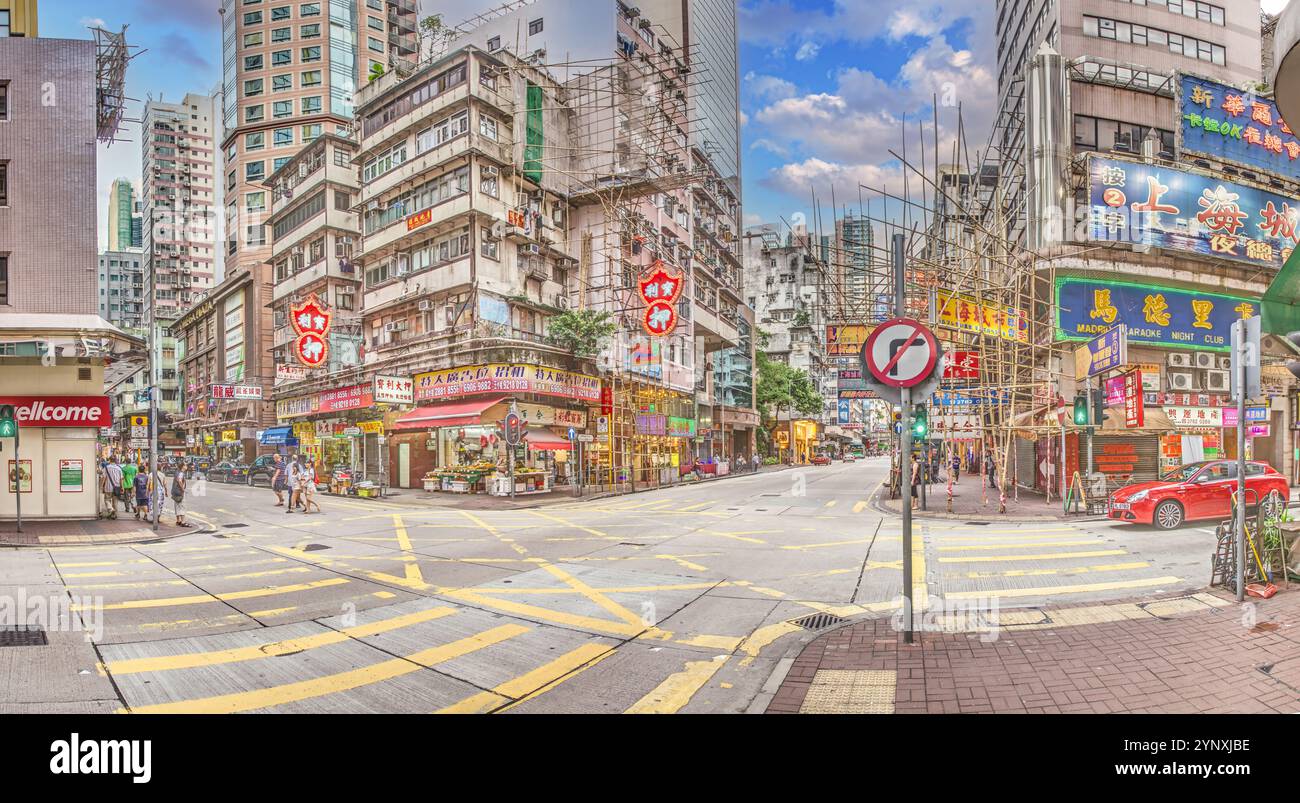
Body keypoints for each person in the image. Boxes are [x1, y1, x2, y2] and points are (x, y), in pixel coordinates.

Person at [103, 455, 124, 519]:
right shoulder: (119, 468)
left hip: (108, 487)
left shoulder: (106, 468)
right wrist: (122, 487)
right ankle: (114, 514)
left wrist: (102, 486)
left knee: (107, 500)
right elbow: (121, 479)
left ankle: (111, 510)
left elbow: (104, 478)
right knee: (115, 502)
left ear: (109, 460)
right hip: (117, 488)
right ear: (115, 460)